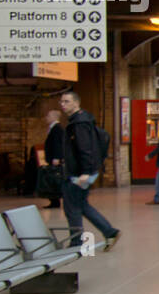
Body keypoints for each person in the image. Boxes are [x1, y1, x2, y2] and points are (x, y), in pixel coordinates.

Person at [59, 90, 121, 250]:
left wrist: (85, 171)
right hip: (81, 172)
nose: (62, 105)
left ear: (76, 103)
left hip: (78, 173)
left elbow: (84, 148)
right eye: (61, 102)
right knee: (81, 205)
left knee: (71, 207)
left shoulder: (78, 124)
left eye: (66, 101)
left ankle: (76, 241)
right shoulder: (83, 120)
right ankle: (109, 232)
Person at [42, 109, 65, 209]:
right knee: (52, 179)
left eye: (48, 116)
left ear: (53, 117)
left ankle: (55, 200)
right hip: (51, 157)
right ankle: (53, 200)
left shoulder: (56, 128)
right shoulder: (53, 128)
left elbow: (57, 144)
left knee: (54, 179)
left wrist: (56, 157)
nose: (46, 118)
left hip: (54, 158)